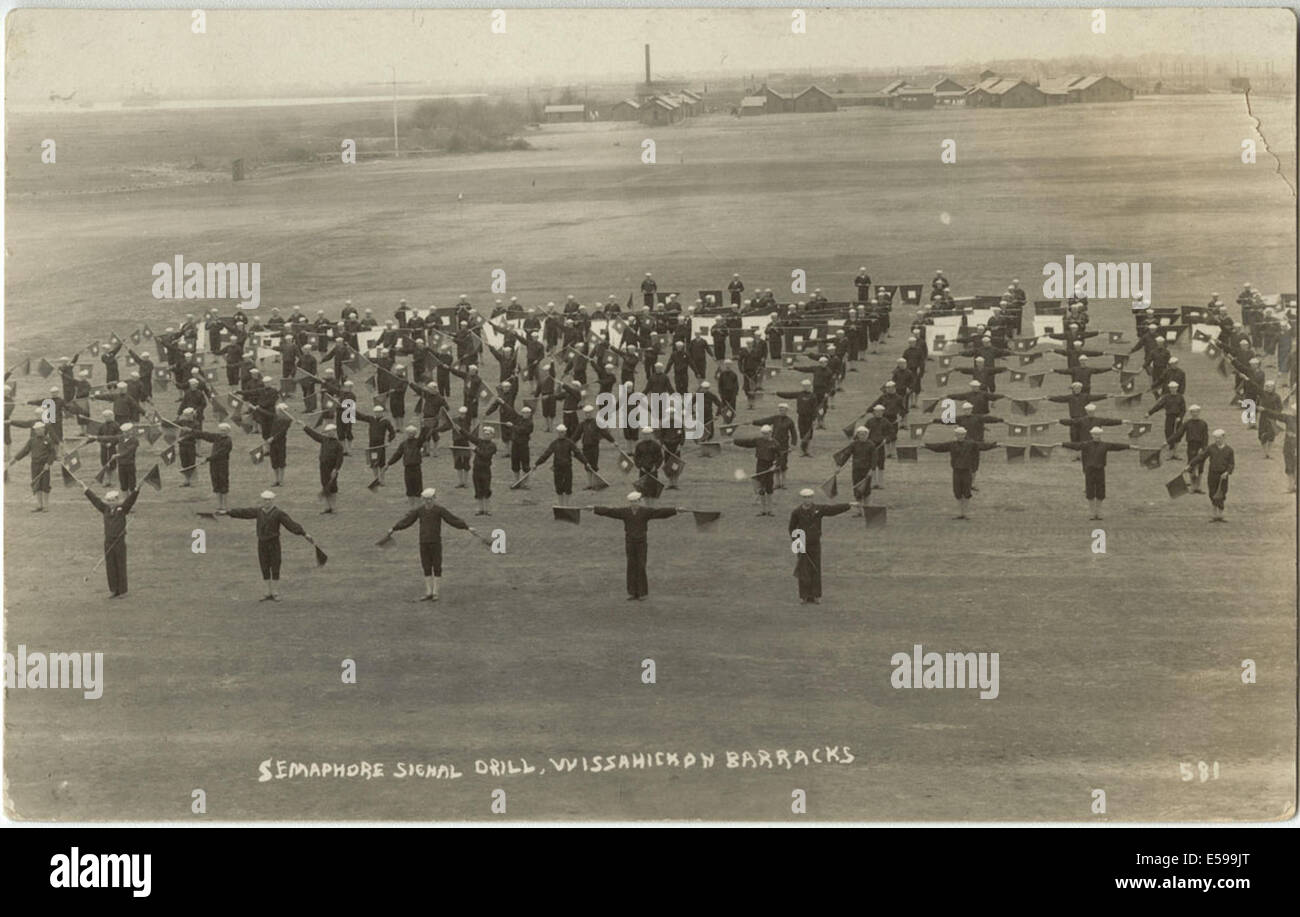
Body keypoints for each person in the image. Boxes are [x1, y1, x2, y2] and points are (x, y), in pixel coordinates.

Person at [385, 488, 478, 602]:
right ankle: (429, 592)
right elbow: (407, 521)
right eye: (426, 499)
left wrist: (467, 527)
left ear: (434, 498)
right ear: (423, 500)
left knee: (437, 567)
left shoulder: (439, 510)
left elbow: (453, 520)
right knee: (426, 567)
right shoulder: (419, 511)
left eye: (430, 499)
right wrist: (394, 528)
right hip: (423, 542)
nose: (428, 502)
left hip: (435, 542)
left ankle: (435, 592)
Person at [227, 491, 315, 600]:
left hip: (274, 543)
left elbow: (290, 524)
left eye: (269, 500)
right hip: (262, 543)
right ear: (262, 500)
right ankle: (268, 592)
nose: (267, 502)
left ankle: (275, 592)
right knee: (264, 566)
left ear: (273, 501)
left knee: (275, 565)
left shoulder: (278, 513)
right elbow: (244, 513)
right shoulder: (258, 511)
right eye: (265, 500)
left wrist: (303, 533)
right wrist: (229, 512)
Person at [591, 492, 678, 600]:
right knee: (631, 566)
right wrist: (594, 509)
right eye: (632, 502)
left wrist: (675, 510)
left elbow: (660, 512)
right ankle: (633, 593)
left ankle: (642, 593)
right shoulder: (625, 512)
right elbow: (610, 511)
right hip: (630, 542)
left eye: (636, 502)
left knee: (641, 566)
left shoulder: (645, 512)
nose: (634, 504)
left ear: (640, 501)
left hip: (641, 543)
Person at [788, 489, 852, 604]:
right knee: (803, 570)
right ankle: (804, 596)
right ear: (802, 499)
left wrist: (848, 505)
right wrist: (797, 543)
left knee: (816, 569)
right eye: (805, 498)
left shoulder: (818, 509)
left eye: (809, 497)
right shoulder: (796, 512)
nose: (807, 500)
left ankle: (816, 595)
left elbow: (833, 510)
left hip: (815, 544)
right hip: (802, 545)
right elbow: (792, 529)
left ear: (812, 498)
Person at [923, 427, 999, 519]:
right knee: (957, 492)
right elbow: (939, 447)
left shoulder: (971, 444)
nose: (960, 436)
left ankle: (965, 513)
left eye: (962, 434)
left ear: (965, 435)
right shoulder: (951, 444)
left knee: (966, 493)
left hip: (967, 471)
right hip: (956, 471)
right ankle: (960, 513)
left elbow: (983, 446)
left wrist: (995, 445)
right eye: (958, 434)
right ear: (956, 435)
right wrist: (926, 446)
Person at [1060, 427, 1131, 520]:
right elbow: (1075, 445)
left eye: (1098, 434)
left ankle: (1099, 512)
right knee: (1090, 492)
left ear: (1100, 435)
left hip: (1100, 470)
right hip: (1089, 471)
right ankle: (1092, 513)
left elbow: (1117, 446)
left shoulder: (1105, 445)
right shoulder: (1086, 445)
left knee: (1100, 492)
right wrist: (1062, 444)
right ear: (1092, 435)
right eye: (1095, 434)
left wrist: (1130, 446)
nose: (1097, 436)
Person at [83, 484, 141, 597]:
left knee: (120, 564)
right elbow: (95, 501)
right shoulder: (105, 509)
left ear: (117, 500)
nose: (110, 503)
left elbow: (130, 501)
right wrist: (86, 490)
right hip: (108, 541)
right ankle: (114, 589)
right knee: (110, 566)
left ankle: (123, 591)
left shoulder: (123, 509)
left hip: (119, 542)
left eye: (112, 500)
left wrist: (136, 490)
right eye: (108, 500)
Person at [1186, 430, 1234, 522]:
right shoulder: (1211, 448)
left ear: (1224, 438)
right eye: (1215, 438)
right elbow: (1201, 457)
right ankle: (1214, 514)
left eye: (1219, 438)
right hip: (1212, 474)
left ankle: (1220, 514)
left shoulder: (1229, 450)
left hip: (1223, 475)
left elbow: (1231, 464)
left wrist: (1227, 472)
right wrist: (1190, 464)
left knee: (1222, 493)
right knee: (1212, 493)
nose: (1217, 440)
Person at [9, 421, 57, 511]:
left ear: (44, 429)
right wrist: (14, 459)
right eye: (36, 430)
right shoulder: (32, 440)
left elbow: (52, 453)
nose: (38, 431)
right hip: (34, 465)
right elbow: (24, 451)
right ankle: (40, 505)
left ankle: (46, 506)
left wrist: (48, 464)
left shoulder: (48, 440)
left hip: (44, 466)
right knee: (36, 484)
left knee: (45, 485)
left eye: (40, 429)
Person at [304, 422, 345, 513]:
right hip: (323, 467)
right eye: (329, 431)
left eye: (332, 431)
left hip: (332, 468)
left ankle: (333, 507)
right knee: (324, 485)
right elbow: (314, 435)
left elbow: (340, 459)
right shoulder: (324, 439)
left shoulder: (338, 445)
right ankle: (327, 507)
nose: (330, 433)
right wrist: (305, 426)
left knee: (333, 487)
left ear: (335, 432)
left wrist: (336, 469)